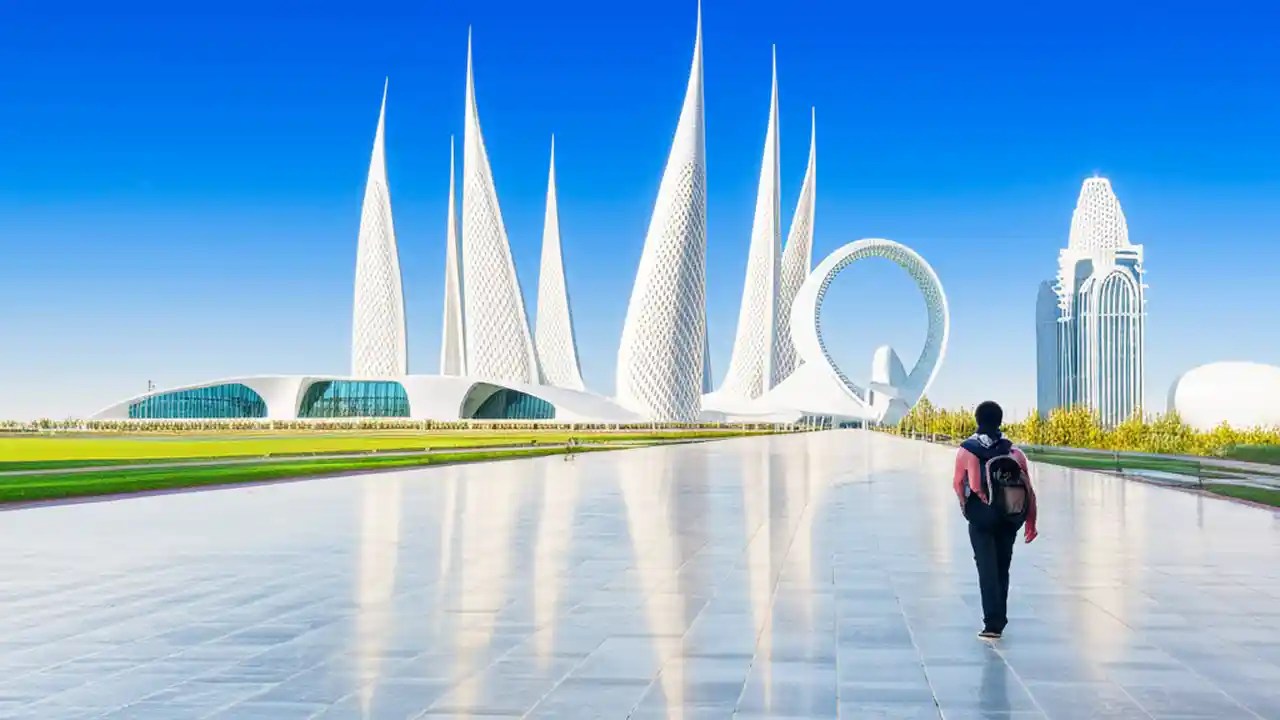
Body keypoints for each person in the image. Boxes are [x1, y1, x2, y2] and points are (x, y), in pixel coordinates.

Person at [953, 401, 1038, 639]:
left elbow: (959, 483)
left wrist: (965, 505)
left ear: (977, 419)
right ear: (1000, 421)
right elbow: (1028, 489)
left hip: (981, 516)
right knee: (1003, 566)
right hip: (1009, 516)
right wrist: (1031, 520)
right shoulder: (1014, 452)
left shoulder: (967, 450)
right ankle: (999, 619)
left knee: (986, 567)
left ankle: (992, 624)